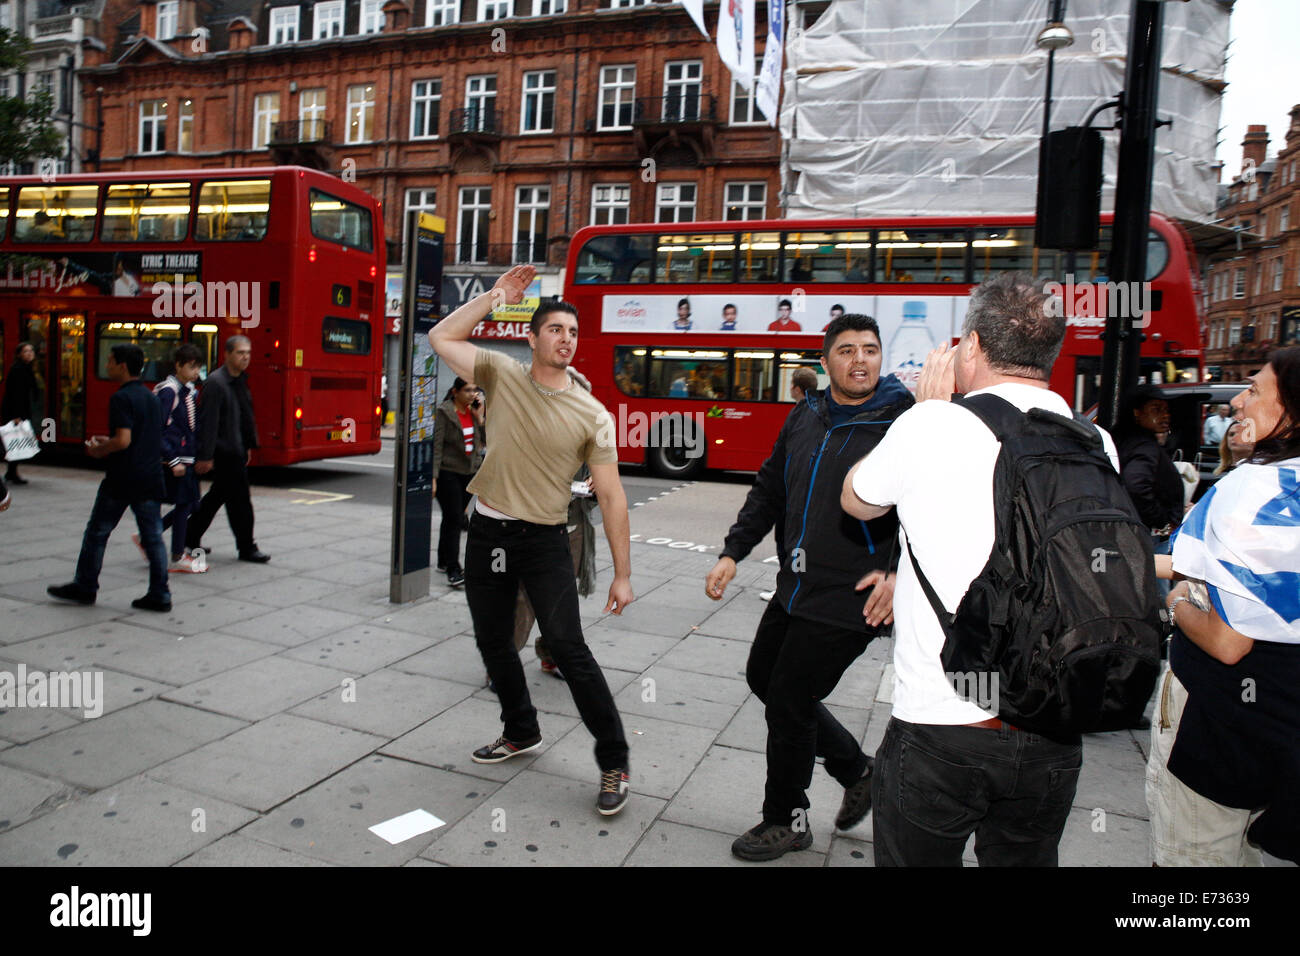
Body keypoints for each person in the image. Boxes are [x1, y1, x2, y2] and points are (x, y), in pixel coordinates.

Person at [841, 271, 1119, 866]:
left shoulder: (932, 424)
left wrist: (923, 411)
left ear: (971, 345)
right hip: (1050, 726)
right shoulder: (1096, 442)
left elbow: (857, 500)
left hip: (942, 728)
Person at [427, 265, 636, 817]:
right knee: (494, 641)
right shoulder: (502, 374)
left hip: (545, 538)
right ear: (532, 337)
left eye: (573, 332)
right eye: (555, 329)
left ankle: (614, 761)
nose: (566, 339)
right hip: (489, 533)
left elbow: (612, 496)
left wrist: (622, 573)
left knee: (568, 646)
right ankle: (520, 729)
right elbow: (440, 337)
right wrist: (495, 296)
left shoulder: (592, 413)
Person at [706, 313, 914, 861]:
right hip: (796, 585)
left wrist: (898, 571)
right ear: (825, 362)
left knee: (791, 701)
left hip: (855, 593)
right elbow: (770, 488)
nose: (860, 359)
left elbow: (929, 507)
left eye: (869, 349)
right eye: (847, 350)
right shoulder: (806, 413)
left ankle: (786, 820)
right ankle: (857, 770)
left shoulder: (903, 423)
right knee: (763, 677)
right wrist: (732, 551)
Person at [1147, 347, 1300, 865]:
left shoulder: (1252, 487)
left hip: (1218, 721)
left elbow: (1228, 641)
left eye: (1255, 390)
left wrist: (1177, 604)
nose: (1237, 401)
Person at [47, 344, 171, 612]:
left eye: (110, 361)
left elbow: (123, 440)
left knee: (97, 532)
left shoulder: (121, 398)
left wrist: (99, 450)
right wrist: (111, 440)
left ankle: (85, 586)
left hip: (122, 478)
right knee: (153, 537)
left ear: (122, 366)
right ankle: (160, 593)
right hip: (150, 477)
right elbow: (142, 436)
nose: (107, 365)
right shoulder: (151, 396)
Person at [513, 366, 600, 679]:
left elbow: (603, 488)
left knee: (562, 601)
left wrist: (594, 487)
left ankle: (552, 655)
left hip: (572, 529)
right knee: (524, 600)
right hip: (533, 528)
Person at [186, 335, 269, 563]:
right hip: (224, 452)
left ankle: (189, 536)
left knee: (217, 497)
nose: (245, 357)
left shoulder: (239, 379)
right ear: (227, 354)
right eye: (240, 353)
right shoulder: (216, 383)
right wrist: (206, 456)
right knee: (240, 501)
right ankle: (247, 547)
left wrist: (248, 445)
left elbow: (244, 416)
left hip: (236, 449)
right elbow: (209, 422)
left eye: (248, 353)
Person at [1115, 384, 1184, 593]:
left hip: (1134, 530)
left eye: (1166, 410)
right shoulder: (1143, 446)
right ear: (1137, 413)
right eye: (1156, 409)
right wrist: (1161, 521)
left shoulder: (1127, 440)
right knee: (1156, 592)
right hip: (1149, 533)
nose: (1165, 415)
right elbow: (1136, 485)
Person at [151, 344, 205, 574]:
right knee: (184, 504)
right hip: (176, 458)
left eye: (198, 368)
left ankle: (151, 536)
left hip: (186, 456)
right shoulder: (169, 391)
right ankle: (177, 555)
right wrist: (173, 460)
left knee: (192, 503)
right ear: (178, 365)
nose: (196, 372)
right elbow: (158, 429)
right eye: (192, 367)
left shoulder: (187, 390)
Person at [432, 377, 485, 587]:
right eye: (468, 390)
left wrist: (480, 419)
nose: (473, 394)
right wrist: (433, 478)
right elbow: (436, 446)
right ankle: (453, 569)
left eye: (475, 390)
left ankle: (443, 560)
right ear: (455, 392)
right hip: (448, 472)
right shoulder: (444, 412)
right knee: (455, 518)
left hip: (469, 472)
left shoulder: (473, 412)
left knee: (451, 518)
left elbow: (486, 441)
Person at [3, 341, 41, 486]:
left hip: (21, 409)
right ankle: (12, 473)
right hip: (16, 411)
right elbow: (15, 394)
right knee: (17, 441)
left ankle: (11, 472)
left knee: (17, 441)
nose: (30, 353)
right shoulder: (18, 369)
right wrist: (16, 416)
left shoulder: (27, 368)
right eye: (26, 351)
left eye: (31, 351)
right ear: (19, 354)